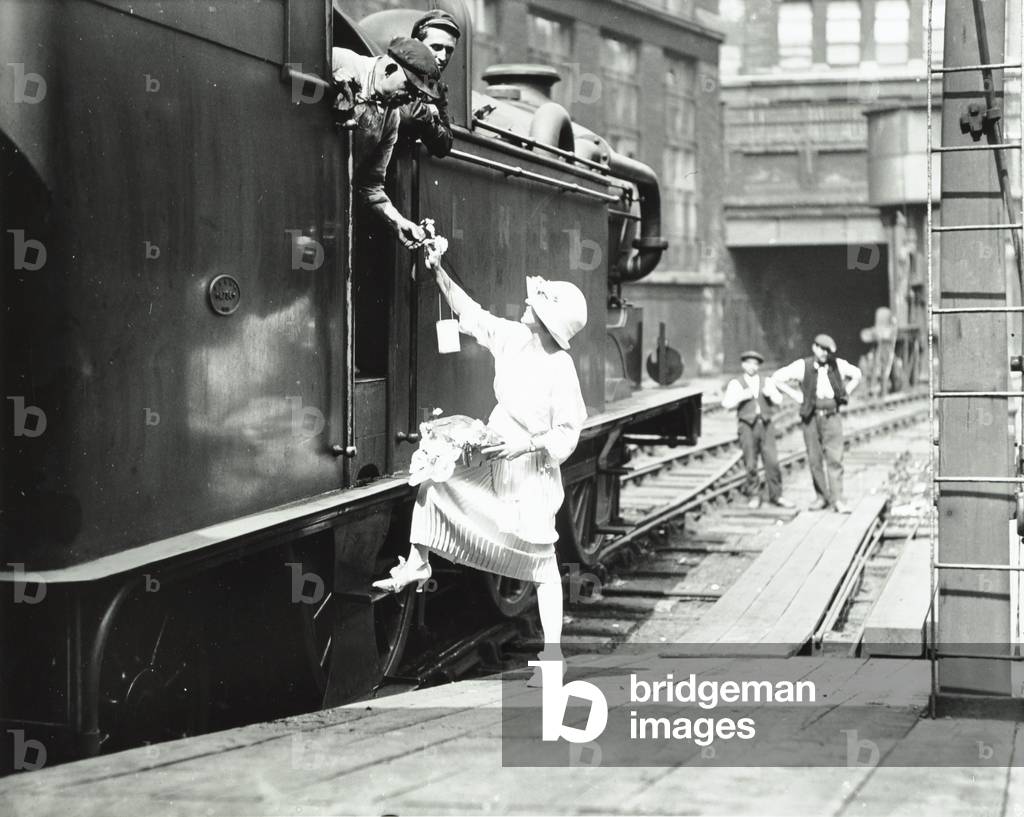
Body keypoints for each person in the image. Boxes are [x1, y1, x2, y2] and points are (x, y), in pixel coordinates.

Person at [372, 254, 588, 683]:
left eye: (534, 305)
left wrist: (525, 444)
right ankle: (418, 560)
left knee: (543, 566)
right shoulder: (512, 337)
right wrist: (437, 269)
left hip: (529, 470)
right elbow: (470, 314)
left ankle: (553, 655)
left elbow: (568, 432)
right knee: (433, 474)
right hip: (489, 452)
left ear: (547, 320)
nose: (525, 305)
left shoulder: (560, 368)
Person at [331, 37, 441, 248]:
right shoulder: (339, 61)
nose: (410, 99)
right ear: (390, 69)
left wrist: (398, 221)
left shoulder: (391, 119)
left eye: (417, 95)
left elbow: (371, 185)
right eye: (409, 89)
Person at [771, 334, 862, 513]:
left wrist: (845, 392)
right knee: (814, 458)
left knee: (835, 458)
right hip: (811, 418)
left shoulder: (838, 365)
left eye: (827, 350)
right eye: (821, 348)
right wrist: (797, 396)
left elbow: (857, 374)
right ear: (814, 348)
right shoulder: (802, 366)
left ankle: (837, 500)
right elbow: (777, 378)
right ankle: (821, 497)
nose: (823, 353)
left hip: (832, 417)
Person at [720, 350, 794, 510]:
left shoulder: (766, 381)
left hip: (765, 424)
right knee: (751, 462)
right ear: (743, 365)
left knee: (772, 461)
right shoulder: (736, 383)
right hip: (747, 426)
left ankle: (777, 495)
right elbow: (726, 404)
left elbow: (779, 399)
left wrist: (771, 395)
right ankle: (754, 495)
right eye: (749, 363)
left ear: (759, 366)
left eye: (755, 364)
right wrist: (740, 397)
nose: (752, 367)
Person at [400, 9, 461, 157]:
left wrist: (425, 115)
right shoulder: (393, 72)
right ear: (416, 44)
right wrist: (431, 113)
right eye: (436, 47)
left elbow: (444, 146)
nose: (443, 56)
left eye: (449, 50)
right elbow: (408, 117)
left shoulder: (433, 85)